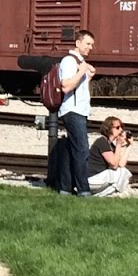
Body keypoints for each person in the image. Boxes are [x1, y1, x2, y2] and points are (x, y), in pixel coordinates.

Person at [50, 30, 97, 196]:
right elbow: (67, 86)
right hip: (73, 111)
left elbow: (78, 86)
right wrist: (82, 71)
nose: (90, 47)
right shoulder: (69, 61)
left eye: (92, 44)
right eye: (87, 44)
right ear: (77, 43)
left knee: (72, 150)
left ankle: (65, 187)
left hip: (80, 111)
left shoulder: (79, 62)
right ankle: (83, 189)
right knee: (82, 150)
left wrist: (87, 75)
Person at [87, 115, 132, 196]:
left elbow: (121, 164)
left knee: (124, 172)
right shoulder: (102, 141)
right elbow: (114, 165)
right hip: (92, 179)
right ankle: (110, 193)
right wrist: (118, 145)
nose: (121, 130)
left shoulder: (111, 145)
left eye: (121, 127)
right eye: (117, 127)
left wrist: (128, 145)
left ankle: (101, 195)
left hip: (100, 178)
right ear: (109, 129)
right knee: (122, 173)